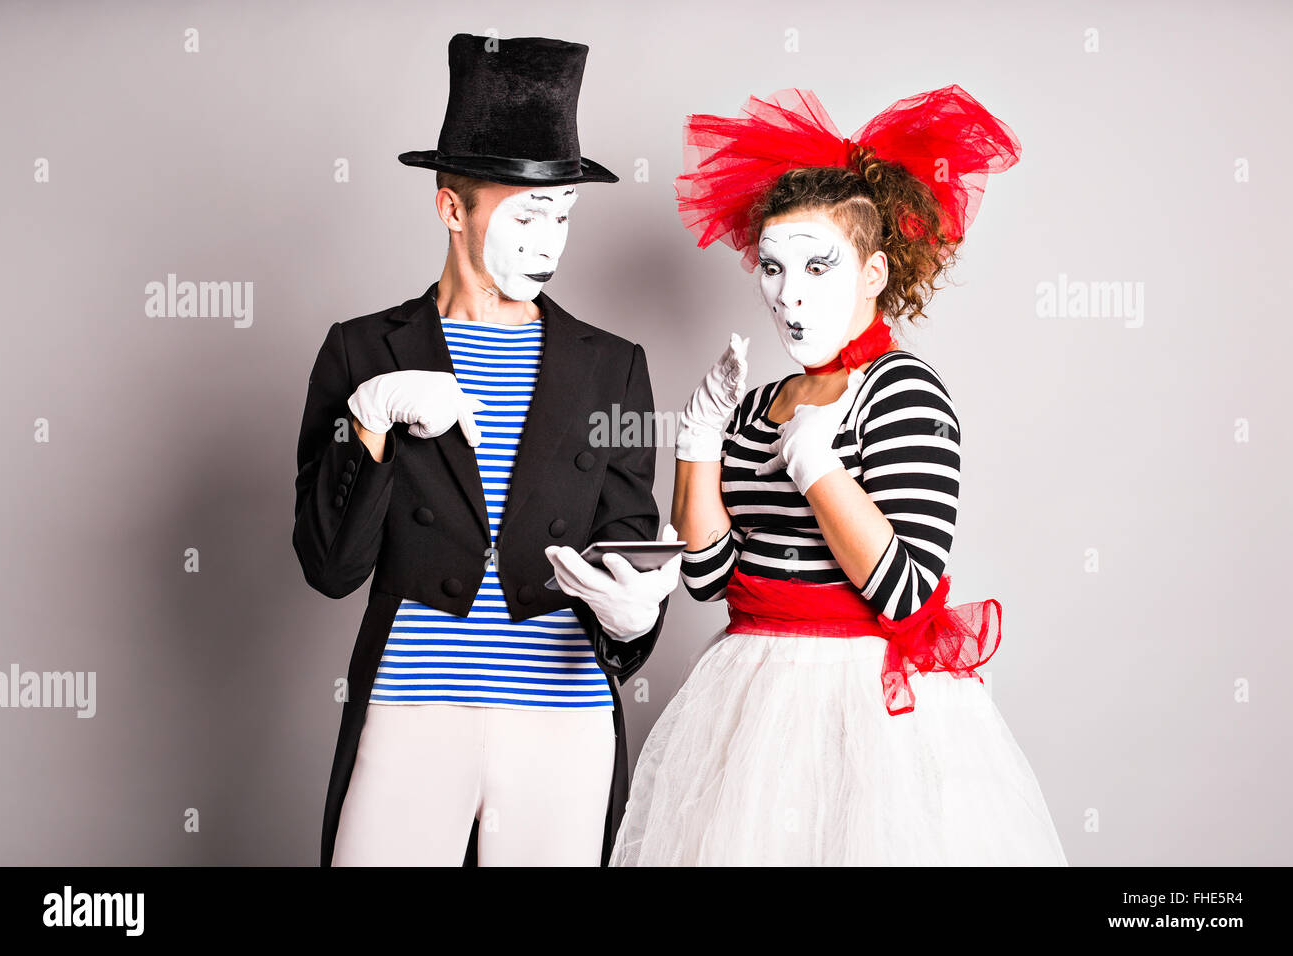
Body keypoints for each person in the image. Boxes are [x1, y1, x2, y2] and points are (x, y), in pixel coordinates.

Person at [609, 86, 1068, 865]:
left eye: (819, 267)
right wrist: (699, 444)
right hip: (745, 691)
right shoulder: (760, 401)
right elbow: (710, 576)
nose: (790, 295)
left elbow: (905, 592)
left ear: (873, 270)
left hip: (869, 706)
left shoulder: (904, 390)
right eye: (775, 269)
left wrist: (818, 467)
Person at [292, 33, 679, 867]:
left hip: (562, 722)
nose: (550, 242)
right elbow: (329, 569)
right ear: (452, 209)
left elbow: (631, 566)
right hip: (409, 708)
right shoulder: (363, 352)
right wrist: (369, 420)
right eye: (528, 214)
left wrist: (636, 614)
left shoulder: (613, 367)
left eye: (565, 217)